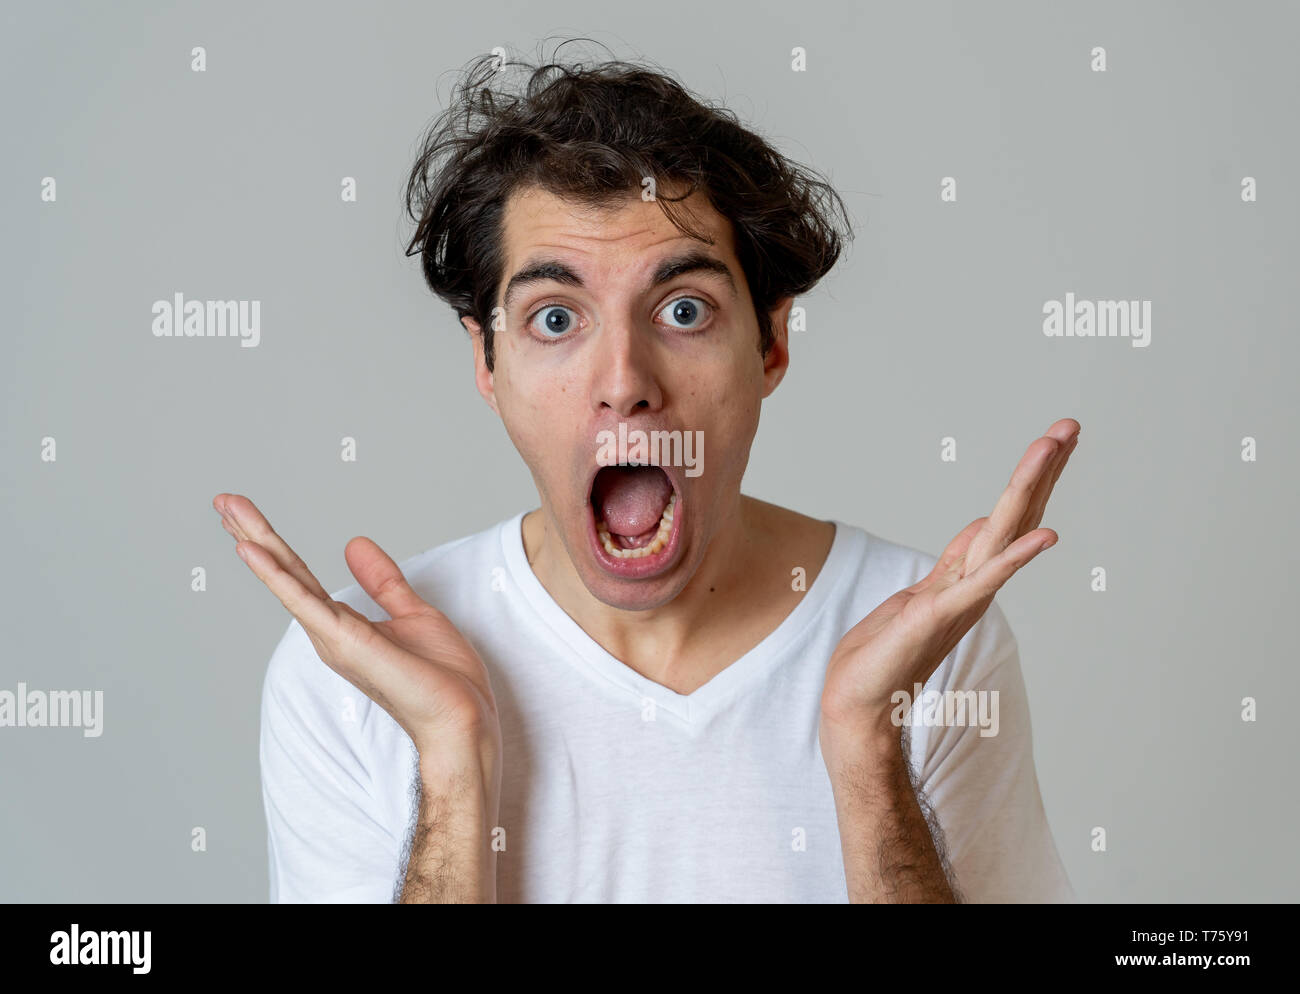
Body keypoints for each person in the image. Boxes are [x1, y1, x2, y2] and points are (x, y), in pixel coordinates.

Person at [215, 45, 1080, 903]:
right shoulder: (355, 675)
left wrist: (865, 749)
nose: (625, 382)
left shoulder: (928, 644)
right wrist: (451, 762)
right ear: (487, 361)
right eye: (556, 318)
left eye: (683, 309)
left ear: (769, 343)